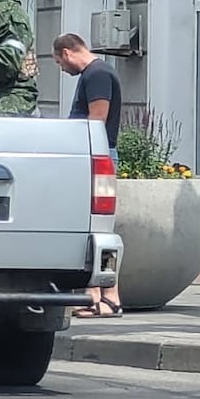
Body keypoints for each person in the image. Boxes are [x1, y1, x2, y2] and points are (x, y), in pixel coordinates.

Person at [54, 32, 123, 318]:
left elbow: (97, 118)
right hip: (97, 156)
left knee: (95, 226)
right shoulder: (98, 72)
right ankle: (103, 296)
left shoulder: (96, 74)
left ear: (68, 53)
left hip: (94, 158)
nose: (62, 68)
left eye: (59, 62)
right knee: (95, 227)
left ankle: (100, 297)